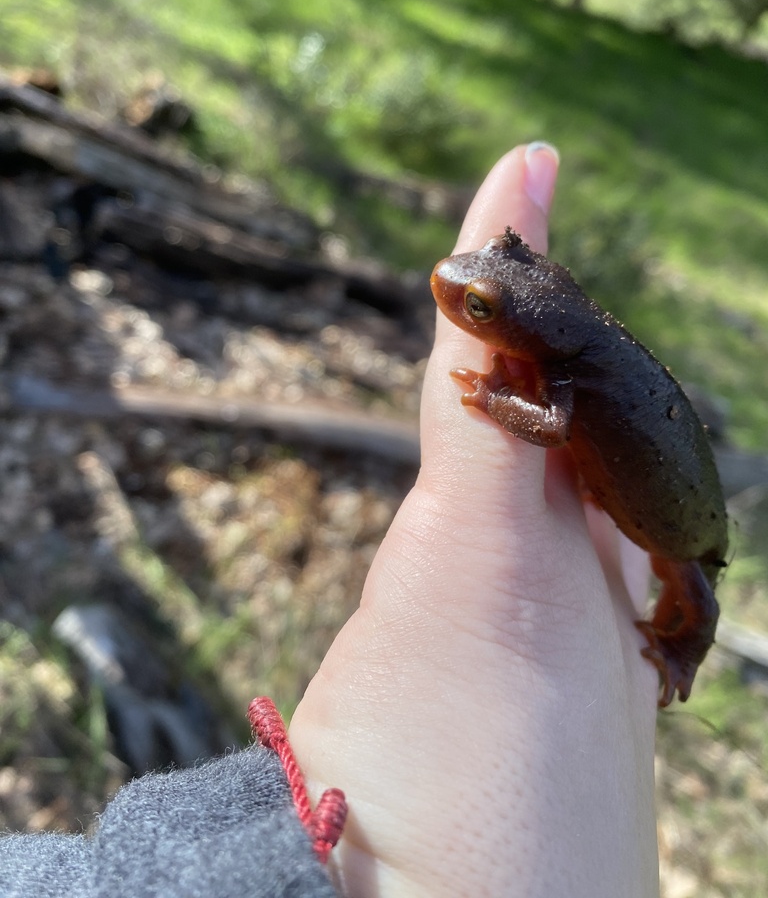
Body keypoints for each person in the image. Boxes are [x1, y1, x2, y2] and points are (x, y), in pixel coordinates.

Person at [0, 144, 660, 897]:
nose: (449, 287)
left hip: (673, 524)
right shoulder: (568, 346)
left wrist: (491, 401)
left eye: (479, 309)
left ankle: (682, 635)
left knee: (683, 571)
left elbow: (547, 425)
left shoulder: (567, 372)